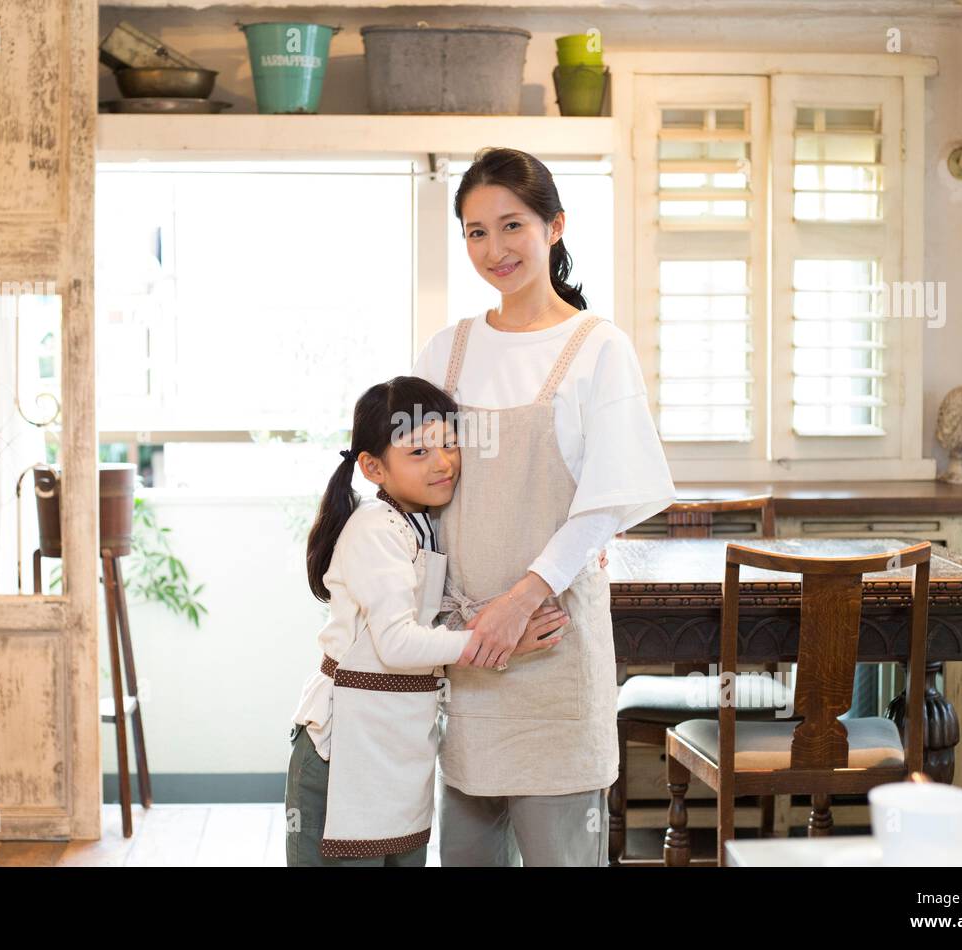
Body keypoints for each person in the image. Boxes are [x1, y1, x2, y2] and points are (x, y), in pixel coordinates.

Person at [412, 147, 677, 866]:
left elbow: (604, 505)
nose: (494, 249)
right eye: (474, 231)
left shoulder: (599, 350)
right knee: (467, 850)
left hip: (551, 640)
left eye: (511, 226)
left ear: (554, 226)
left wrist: (521, 601)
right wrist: (457, 625)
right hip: (470, 644)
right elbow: (412, 494)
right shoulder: (446, 352)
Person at [284, 375, 569, 866]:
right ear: (373, 467)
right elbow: (396, 643)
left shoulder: (425, 523)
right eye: (419, 452)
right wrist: (495, 640)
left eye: (450, 445)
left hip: (398, 747)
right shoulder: (376, 528)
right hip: (346, 749)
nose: (443, 463)